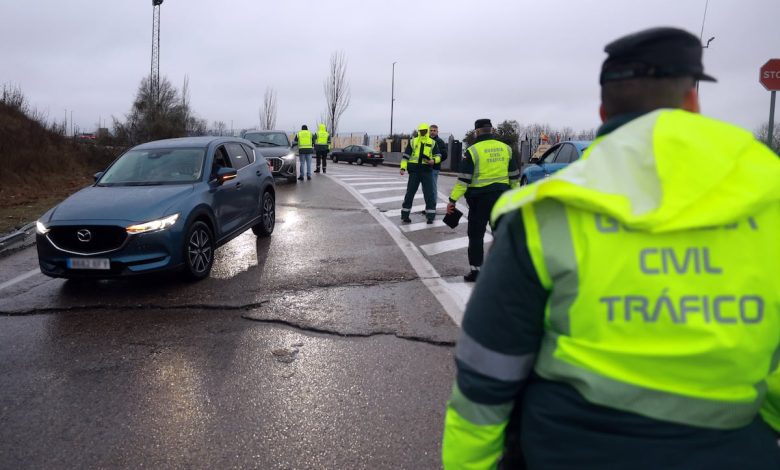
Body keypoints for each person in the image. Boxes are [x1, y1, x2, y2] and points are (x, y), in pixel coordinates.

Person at [442, 27, 780, 469]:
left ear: (604, 110)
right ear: (692, 103)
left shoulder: (545, 213)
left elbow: (485, 376)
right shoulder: (770, 196)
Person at [446, 119, 519, 282]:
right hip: (502, 198)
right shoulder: (506, 149)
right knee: (500, 234)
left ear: (477, 132)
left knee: (476, 235)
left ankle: (477, 272)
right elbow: (514, 177)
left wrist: (452, 200)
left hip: (479, 200)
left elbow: (463, 180)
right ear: (492, 130)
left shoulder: (472, 151)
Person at [400, 123, 441, 224]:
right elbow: (406, 156)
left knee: (429, 194)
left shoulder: (432, 142)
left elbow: (438, 155)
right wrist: (403, 168)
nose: (422, 132)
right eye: (421, 130)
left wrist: (433, 161)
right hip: (414, 172)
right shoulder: (413, 141)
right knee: (410, 193)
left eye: (424, 130)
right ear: (418, 131)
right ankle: (405, 215)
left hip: (427, 171)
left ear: (427, 131)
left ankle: (430, 216)